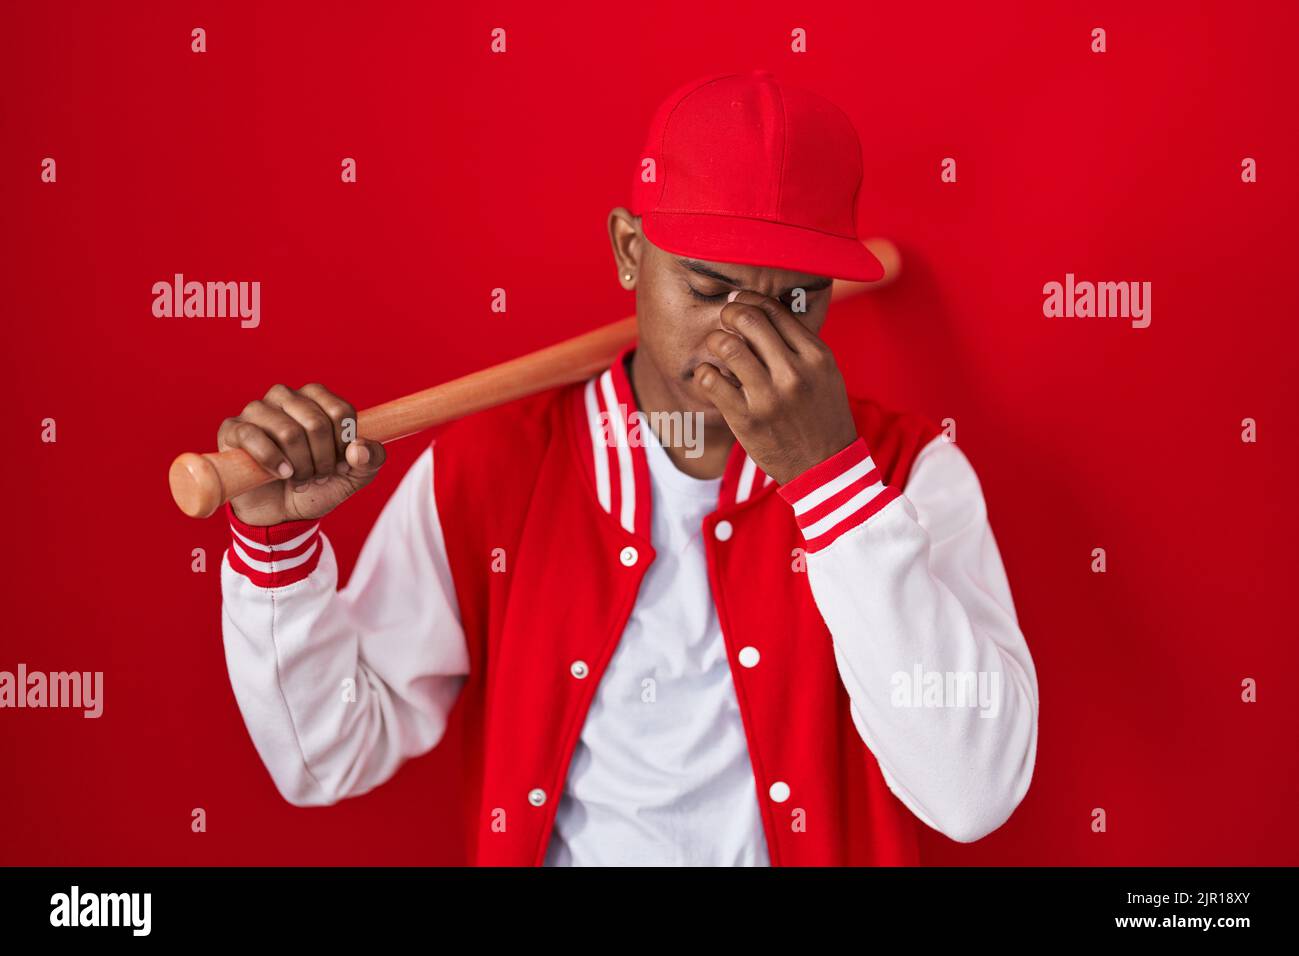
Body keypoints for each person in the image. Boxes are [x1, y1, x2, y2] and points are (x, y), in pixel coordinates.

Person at [217, 69, 1039, 866]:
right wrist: (277, 553)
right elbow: (326, 760)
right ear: (627, 251)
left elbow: (972, 795)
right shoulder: (492, 467)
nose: (740, 337)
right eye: (709, 287)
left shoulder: (909, 474)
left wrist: (833, 486)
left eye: (795, 300)